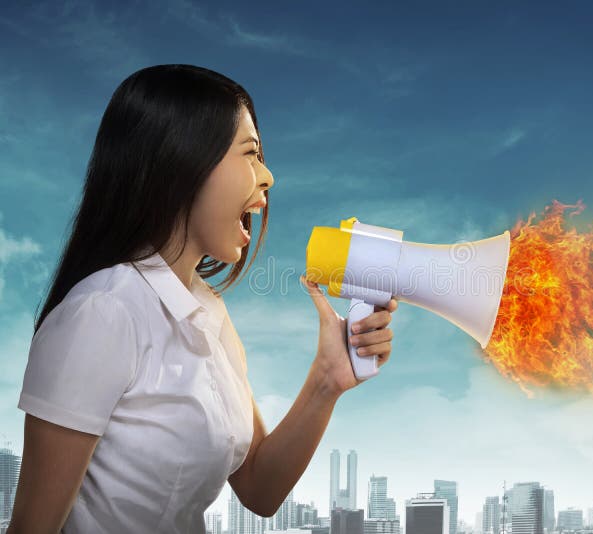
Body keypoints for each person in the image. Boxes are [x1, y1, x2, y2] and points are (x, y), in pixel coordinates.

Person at [8, 64, 398, 533]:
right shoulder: (102, 313)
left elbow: (258, 487)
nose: (268, 176)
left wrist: (327, 379)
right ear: (182, 161)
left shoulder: (208, 311)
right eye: (250, 153)